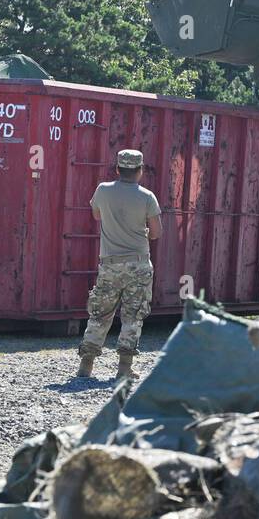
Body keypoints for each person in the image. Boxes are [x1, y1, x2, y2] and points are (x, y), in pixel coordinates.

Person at [78, 148, 162, 381]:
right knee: (133, 315)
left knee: (100, 314)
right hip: (138, 265)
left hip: (110, 264)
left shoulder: (103, 191)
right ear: (140, 171)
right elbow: (156, 233)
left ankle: (86, 366)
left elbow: (96, 215)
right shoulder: (147, 197)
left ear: (117, 169)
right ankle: (124, 369)